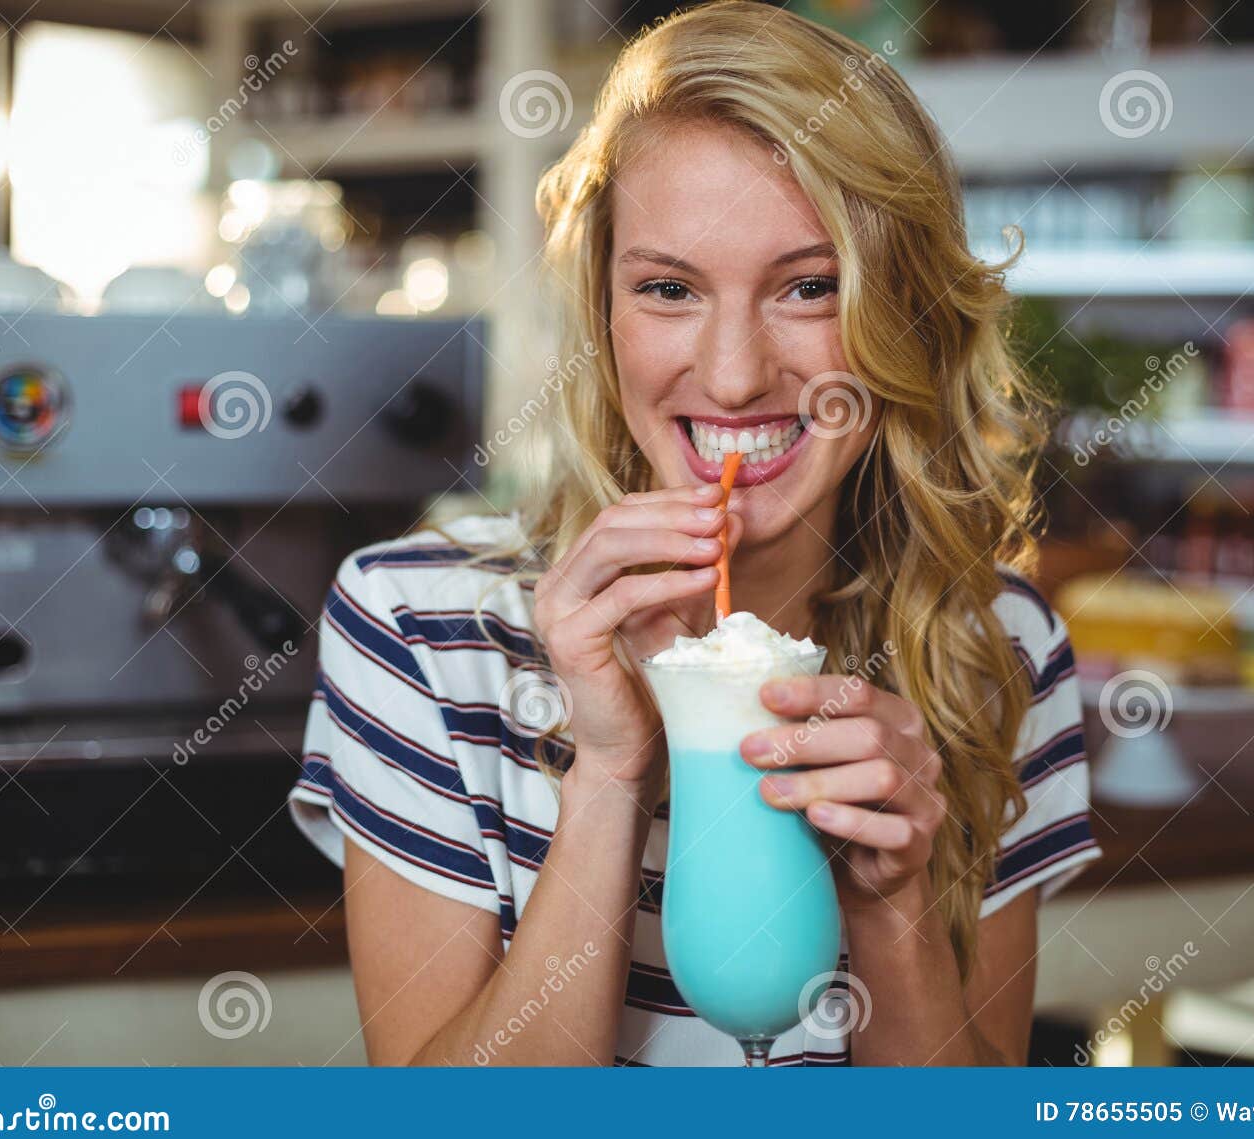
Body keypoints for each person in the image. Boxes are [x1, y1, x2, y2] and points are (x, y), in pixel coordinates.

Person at [289, 0, 1097, 1066]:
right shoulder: (425, 627)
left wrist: (892, 906)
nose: (731, 375)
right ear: (605, 312)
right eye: (668, 288)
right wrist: (610, 775)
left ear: (905, 313)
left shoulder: (989, 646)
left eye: (810, 287)